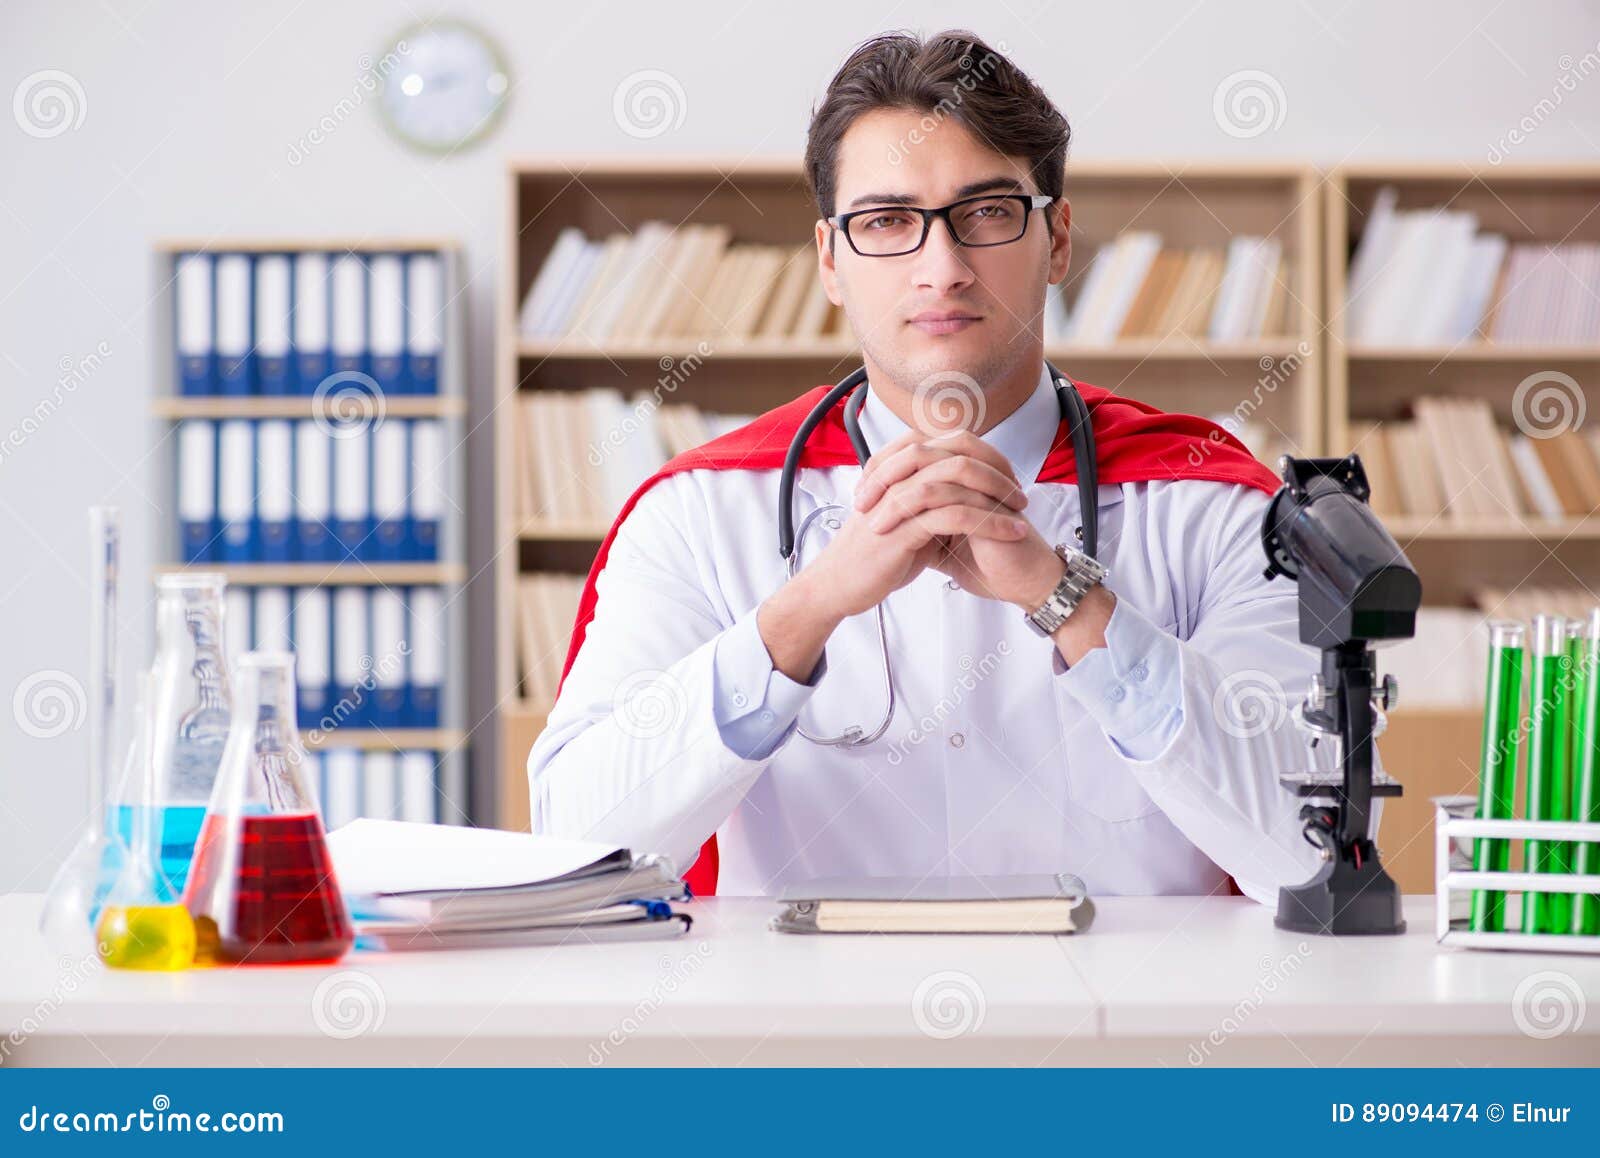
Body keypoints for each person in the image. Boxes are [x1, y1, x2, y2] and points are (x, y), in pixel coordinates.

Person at [527, 29, 1379, 900]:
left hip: (1128, 1037)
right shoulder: (701, 512)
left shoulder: (1218, 510)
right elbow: (572, 846)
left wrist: (1070, 604)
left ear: (1056, 240)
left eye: (985, 213)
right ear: (830, 259)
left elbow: (1312, 860)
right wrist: (807, 610)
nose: (942, 268)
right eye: (888, 221)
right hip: (805, 1036)